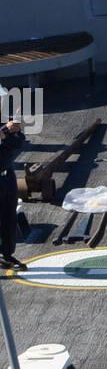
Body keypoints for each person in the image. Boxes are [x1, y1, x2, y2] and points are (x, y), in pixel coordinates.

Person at [0, 111, 26, 271]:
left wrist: (10, 132)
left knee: (9, 216)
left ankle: (6, 255)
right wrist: (4, 132)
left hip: (6, 176)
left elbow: (19, 142)